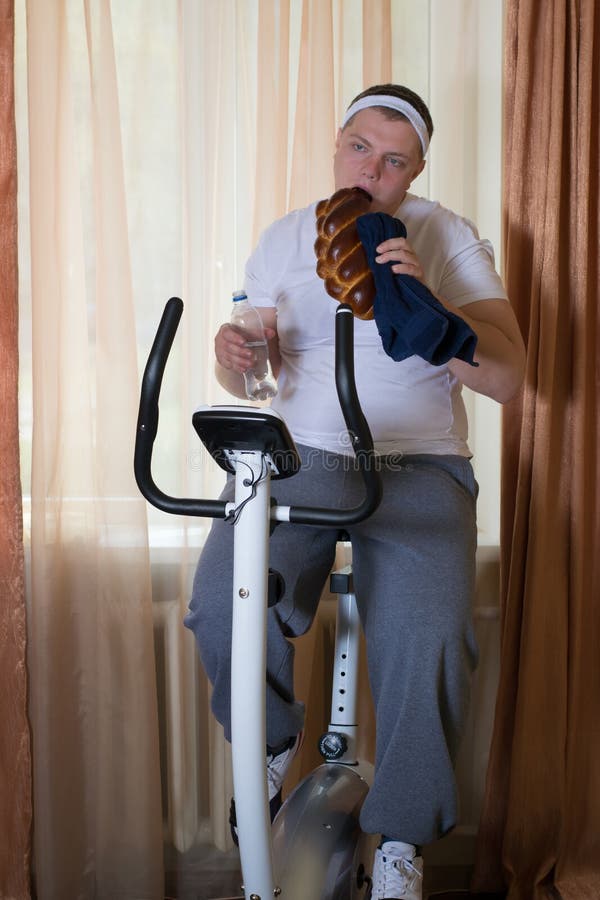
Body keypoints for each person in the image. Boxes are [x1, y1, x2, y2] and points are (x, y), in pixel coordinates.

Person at [184, 83, 526, 900]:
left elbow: (510, 380)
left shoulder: (445, 235)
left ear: (415, 171)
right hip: (302, 458)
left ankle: (403, 840)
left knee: (431, 634)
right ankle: (265, 748)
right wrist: (234, 354)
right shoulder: (283, 239)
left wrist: (436, 308)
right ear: (339, 147)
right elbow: (255, 373)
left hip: (420, 467)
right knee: (219, 599)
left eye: (394, 159)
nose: (372, 169)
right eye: (360, 149)